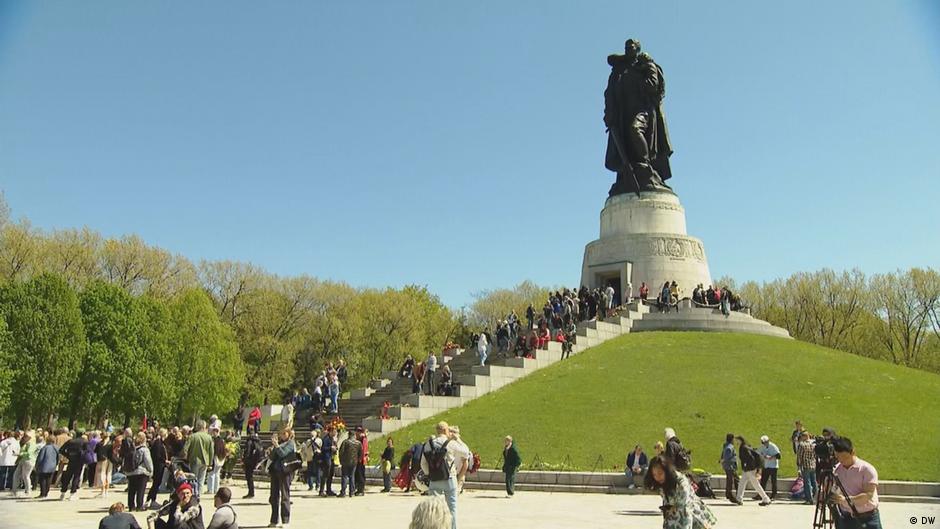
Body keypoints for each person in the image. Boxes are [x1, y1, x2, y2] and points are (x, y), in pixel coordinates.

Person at [644, 456, 717, 529]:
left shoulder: (681, 483)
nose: (657, 477)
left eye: (660, 473)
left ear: (666, 471)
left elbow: (684, 511)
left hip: (690, 515)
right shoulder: (662, 483)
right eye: (654, 475)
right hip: (674, 517)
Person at [422, 422, 469, 529]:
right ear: (445, 430)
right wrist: (457, 439)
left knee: (433, 508)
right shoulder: (451, 443)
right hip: (449, 478)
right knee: (452, 507)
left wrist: (429, 474)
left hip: (434, 479)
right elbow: (466, 452)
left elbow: (423, 463)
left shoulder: (428, 444)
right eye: (448, 430)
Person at [831, 437, 881, 529]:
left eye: (844, 457)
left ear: (853, 452)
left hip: (868, 518)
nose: (842, 460)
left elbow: (868, 495)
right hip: (847, 518)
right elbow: (835, 490)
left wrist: (846, 500)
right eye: (838, 457)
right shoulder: (837, 470)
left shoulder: (867, 469)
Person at [267, 429, 296, 528]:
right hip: (275, 472)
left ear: (289, 434)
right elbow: (272, 456)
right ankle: (274, 520)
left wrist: (277, 446)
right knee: (274, 497)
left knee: (285, 496)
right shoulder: (279, 443)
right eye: (281, 433)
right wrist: (271, 449)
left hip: (285, 472)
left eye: (284, 433)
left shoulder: (291, 443)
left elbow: (284, 454)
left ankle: (285, 520)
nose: (282, 435)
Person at [734, 436, 771, 506]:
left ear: (740, 440)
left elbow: (750, 458)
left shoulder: (744, 448)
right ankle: (739, 499)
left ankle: (766, 499)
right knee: (742, 483)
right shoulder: (744, 447)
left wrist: (747, 465)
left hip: (750, 469)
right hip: (747, 469)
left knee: (755, 484)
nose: (736, 442)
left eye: (737, 440)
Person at [182, 420, 214, 495]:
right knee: (201, 480)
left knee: (193, 479)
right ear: (204, 427)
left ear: (197, 427)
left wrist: (185, 458)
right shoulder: (209, 437)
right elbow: (211, 451)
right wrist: (210, 463)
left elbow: (185, 449)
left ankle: (193, 494)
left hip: (194, 460)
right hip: (205, 461)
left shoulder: (192, 436)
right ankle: (198, 495)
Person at [126, 432, 154, 511]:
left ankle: (131, 506)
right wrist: (151, 471)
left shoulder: (131, 448)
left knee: (131, 490)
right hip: (141, 472)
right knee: (140, 490)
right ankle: (139, 506)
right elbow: (147, 461)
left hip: (131, 472)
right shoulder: (144, 449)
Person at [59, 430, 86, 501]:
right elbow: (87, 451)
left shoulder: (71, 441)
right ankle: (72, 493)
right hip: (79, 460)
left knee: (68, 476)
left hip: (71, 460)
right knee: (76, 477)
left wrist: (68, 456)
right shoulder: (84, 441)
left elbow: (61, 450)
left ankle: (63, 492)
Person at [10, 429, 38, 498]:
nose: (24, 436)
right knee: (16, 475)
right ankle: (14, 491)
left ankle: (28, 491)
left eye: (26, 435)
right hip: (23, 460)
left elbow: (29, 453)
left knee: (26, 476)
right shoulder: (26, 442)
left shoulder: (32, 443)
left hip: (29, 461)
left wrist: (19, 454)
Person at [147, 429, 169, 509]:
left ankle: (150, 499)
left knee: (156, 483)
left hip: (160, 465)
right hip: (158, 466)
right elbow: (157, 455)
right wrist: (164, 461)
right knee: (156, 483)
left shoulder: (160, 442)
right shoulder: (158, 443)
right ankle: (152, 500)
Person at [338, 430, 361, 498]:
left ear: (349, 435)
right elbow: (360, 452)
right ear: (354, 435)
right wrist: (358, 459)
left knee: (344, 476)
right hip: (354, 462)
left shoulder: (345, 442)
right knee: (352, 476)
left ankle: (343, 492)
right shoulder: (358, 443)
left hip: (345, 462)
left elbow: (341, 451)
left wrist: (341, 460)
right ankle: (351, 492)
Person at [36, 432, 60, 498]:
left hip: (44, 466)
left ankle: (42, 493)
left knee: (43, 479)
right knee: (49, 480)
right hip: (52, 466)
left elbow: (40, 458)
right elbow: (58, 457)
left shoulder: (45, 448)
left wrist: (37, 465)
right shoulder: (57, 448)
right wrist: (56, 463)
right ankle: (46, 493)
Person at [757, 435, 781, 500]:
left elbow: (779, 456)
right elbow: (758, 454)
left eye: (765, 442)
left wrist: (771, 457)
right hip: (766, 466)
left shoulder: (773, 446)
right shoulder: (762, 447)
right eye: (763, 442)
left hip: (773, 466)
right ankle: (761, 494)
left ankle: (774, 495)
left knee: (773, 481)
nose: (764, 444)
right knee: (763, 481)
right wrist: (762, 456)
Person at [796, 431, 817, 505]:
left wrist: (798, 466)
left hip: (805, 465)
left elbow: (799, 456)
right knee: (814, 482)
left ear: (804, 436)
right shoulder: (813, 444)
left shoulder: (802, 445)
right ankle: (815, 497)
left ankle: (809, 499)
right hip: (813, 465)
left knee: (807, 483)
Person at [241, 432, 263, 499]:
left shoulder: (249, 442)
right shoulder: (257, 441)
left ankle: (251, 492)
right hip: (254, 462)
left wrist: (244, 461)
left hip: (248, 462)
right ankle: (251, 492)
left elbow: (247, 452)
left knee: (249, 477)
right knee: (250, 477)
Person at [718, 433, 739, 503]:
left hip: (728, 466)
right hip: (730, 466)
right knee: (734, 480)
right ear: (732, 439)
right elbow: (727, 457)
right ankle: (734, 494)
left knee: (730, 480)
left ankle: (728, 494)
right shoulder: (729, 447)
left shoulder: (726, 446)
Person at [318, 427, 337, 497]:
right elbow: (323, 448)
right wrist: (330, 448)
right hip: (326, 459)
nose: (335, 433)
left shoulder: (332, 439)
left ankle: (329, 490)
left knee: (330, 475)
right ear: (330, 432)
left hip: (331, 458)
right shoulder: (326, 439)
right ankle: (321, 490)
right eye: (334, 432)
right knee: (325, 475)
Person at [96, 432, 115, 498]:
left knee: (102, 474)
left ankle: (102, 491)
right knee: (108, 474)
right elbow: (111, 453)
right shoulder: (110, 444)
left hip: (101, 460)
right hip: (109, 460)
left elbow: (95, 451)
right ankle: (107, 491)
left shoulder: (99, 444)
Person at [355, 427, 369, 496]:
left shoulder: (363, 439)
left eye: (359, 432)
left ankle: (361, 490)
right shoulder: (358, 439)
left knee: (361, 475)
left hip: (361, 460)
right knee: (357, 474)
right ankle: (358, 488)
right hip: (357, 460)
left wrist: (361, 458)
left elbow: (363, 450)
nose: (357, 433)